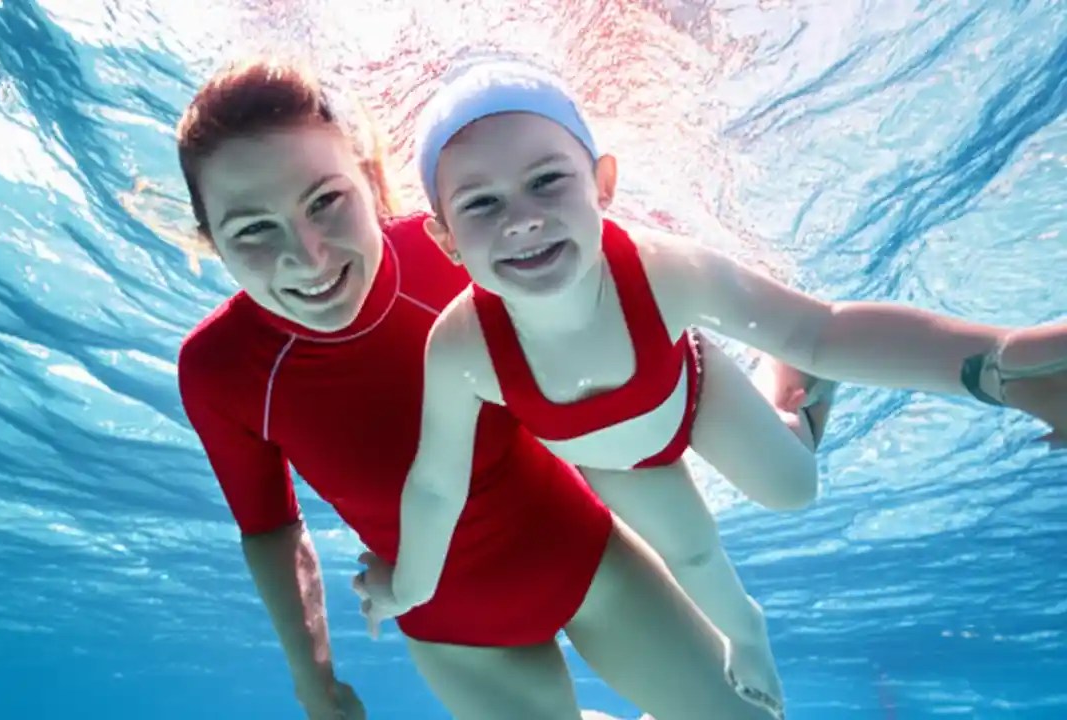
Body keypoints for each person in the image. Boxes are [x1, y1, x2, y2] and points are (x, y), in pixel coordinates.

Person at [358, 56, 1067, 718]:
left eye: (547, 181)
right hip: (616, 461)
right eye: (481, 204)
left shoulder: (665, 272)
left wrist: (996, 362)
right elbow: (435, 487)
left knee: (795, 487)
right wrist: (410, 585)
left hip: (693, 393)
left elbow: (822, 329)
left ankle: (792, 394)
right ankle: (746, 633)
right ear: (447, 239)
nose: (522, 218)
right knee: (693, 553)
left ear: (602, 185)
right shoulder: (459, 349)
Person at [175, 56, 788, 720]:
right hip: (453, 633)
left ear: (373, 182)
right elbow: (270, 531)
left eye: (326, 202)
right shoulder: (218, 369)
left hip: (587, 561)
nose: (308, 256)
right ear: (210, 241)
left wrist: (781, 371)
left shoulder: (466, 249)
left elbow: (627, 309)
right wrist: (313, 682)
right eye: (253, 230)